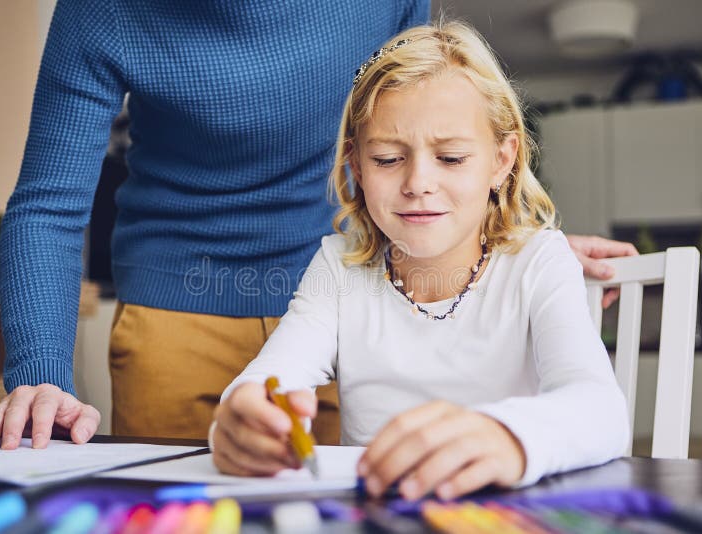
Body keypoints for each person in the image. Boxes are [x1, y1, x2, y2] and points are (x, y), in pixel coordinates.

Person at [0, 1, 634, 452]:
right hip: (179, 305)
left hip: (346, 286)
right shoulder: (105, 12)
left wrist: (497, 248)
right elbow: (49, 204)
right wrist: (39, 374)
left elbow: (414, 127)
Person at [211, 21, 630, 501]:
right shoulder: (339, 267)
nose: (418, 184)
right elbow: (268, 380)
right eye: (388, 159)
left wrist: (506, 437)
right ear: (357, 167)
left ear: (501, 160)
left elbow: (601, 409)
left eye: (450, 158)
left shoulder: (540, 261)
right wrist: (243, 413)